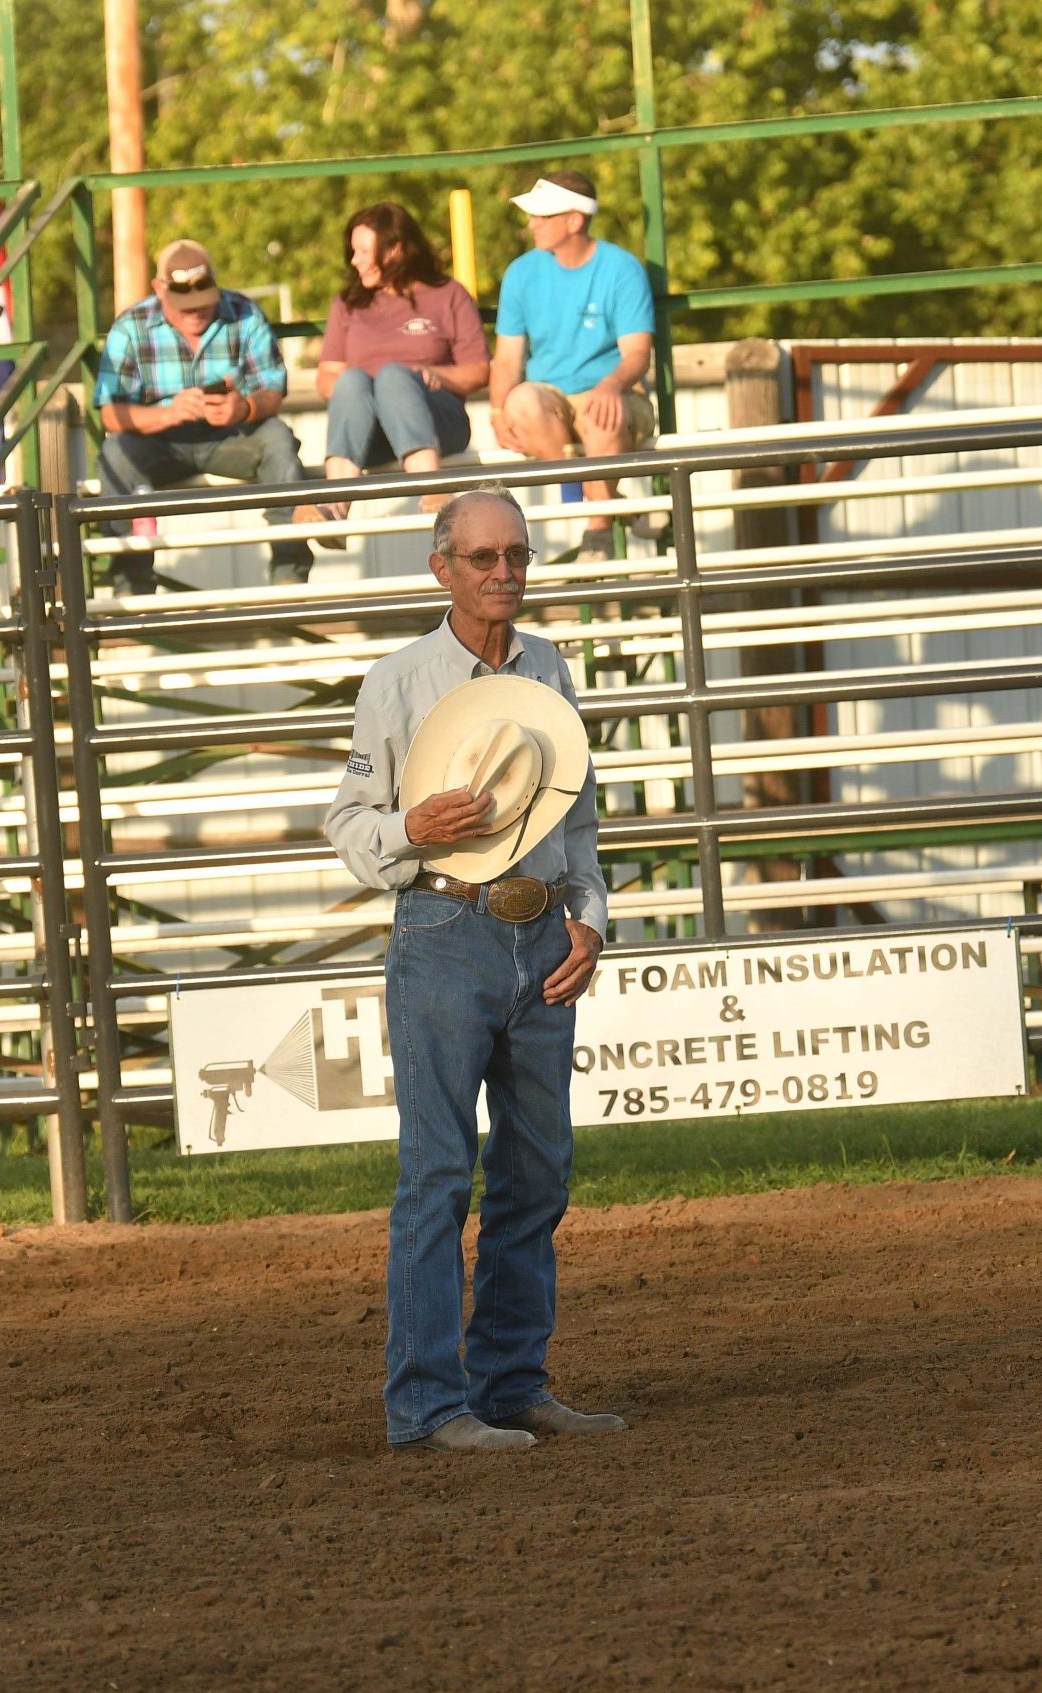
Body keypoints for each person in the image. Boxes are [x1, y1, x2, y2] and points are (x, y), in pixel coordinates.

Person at [323, 486, 617, 1454]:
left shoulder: (550, 669)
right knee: (441, 1173)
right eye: (483, 559)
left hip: (538, 936)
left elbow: (573, 815)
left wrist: (590, 920)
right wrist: (413, 828)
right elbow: (349, 827)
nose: (502, 574)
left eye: (516, 557)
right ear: (442, 568)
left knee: (535, 1172)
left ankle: (506, 1382)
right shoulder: (397, 682)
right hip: (443, 926)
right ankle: (427, 1404)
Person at [93, 238, 313, 597]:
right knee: (116, 453)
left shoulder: (244, 312)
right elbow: (111, 415)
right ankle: (131, 588)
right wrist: (167, 413)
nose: (195, 311)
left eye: (203, 302)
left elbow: (273, 390)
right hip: (158, 444)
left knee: (277, 437)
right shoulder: (130, 327)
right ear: (159, 289)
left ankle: (290, 578)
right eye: (184, 305)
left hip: (232, 436)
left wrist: (245, 408)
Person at [488, 171, 661, 561]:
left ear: (575, 219)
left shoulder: (621, 268)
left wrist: (610, 385)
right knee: (520, 403)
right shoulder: (521, 272)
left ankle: (597, 531)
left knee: (603, 412)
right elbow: (507, 359)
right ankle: (610, 504)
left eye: (543, 216)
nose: (531, 224)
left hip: (612, 393)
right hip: (550, 400)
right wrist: (498, 412)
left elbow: (637, 353)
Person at [298, 203, 488, 538]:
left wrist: (435, 375)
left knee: (393, 376)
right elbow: (327, 377)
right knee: (354, 378)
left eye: (363, 251)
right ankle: (335, 506)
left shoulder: (448, 294)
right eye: (352, 251)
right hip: (370, 431)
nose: (354, 260)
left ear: (395, 249)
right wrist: (360, 393)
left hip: (438, 422)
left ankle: (433, 491)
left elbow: (478, 371)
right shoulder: (348, 303)